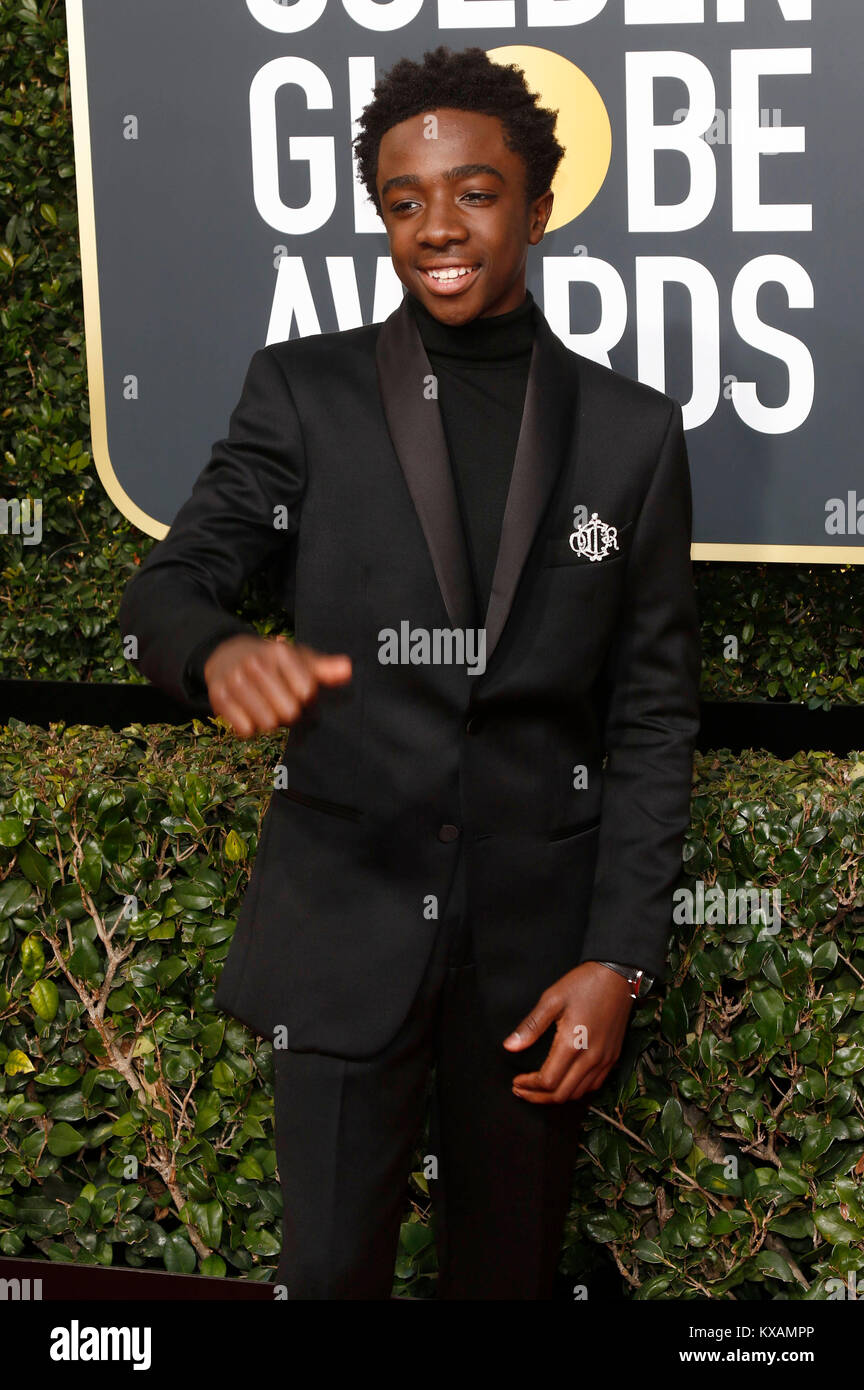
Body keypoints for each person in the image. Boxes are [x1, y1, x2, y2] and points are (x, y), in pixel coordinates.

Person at [118, 44, 701, 1300]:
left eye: (476, 192)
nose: (437, 226)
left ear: (539, 206)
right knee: (328, 1278)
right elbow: (169, 587)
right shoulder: (304, 394)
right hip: (342, 933)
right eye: (403, 200)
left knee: (508, 1281)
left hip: (540, 966)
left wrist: (621, 957)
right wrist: (219, 650)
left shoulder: (635, 434)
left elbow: (652, 712)